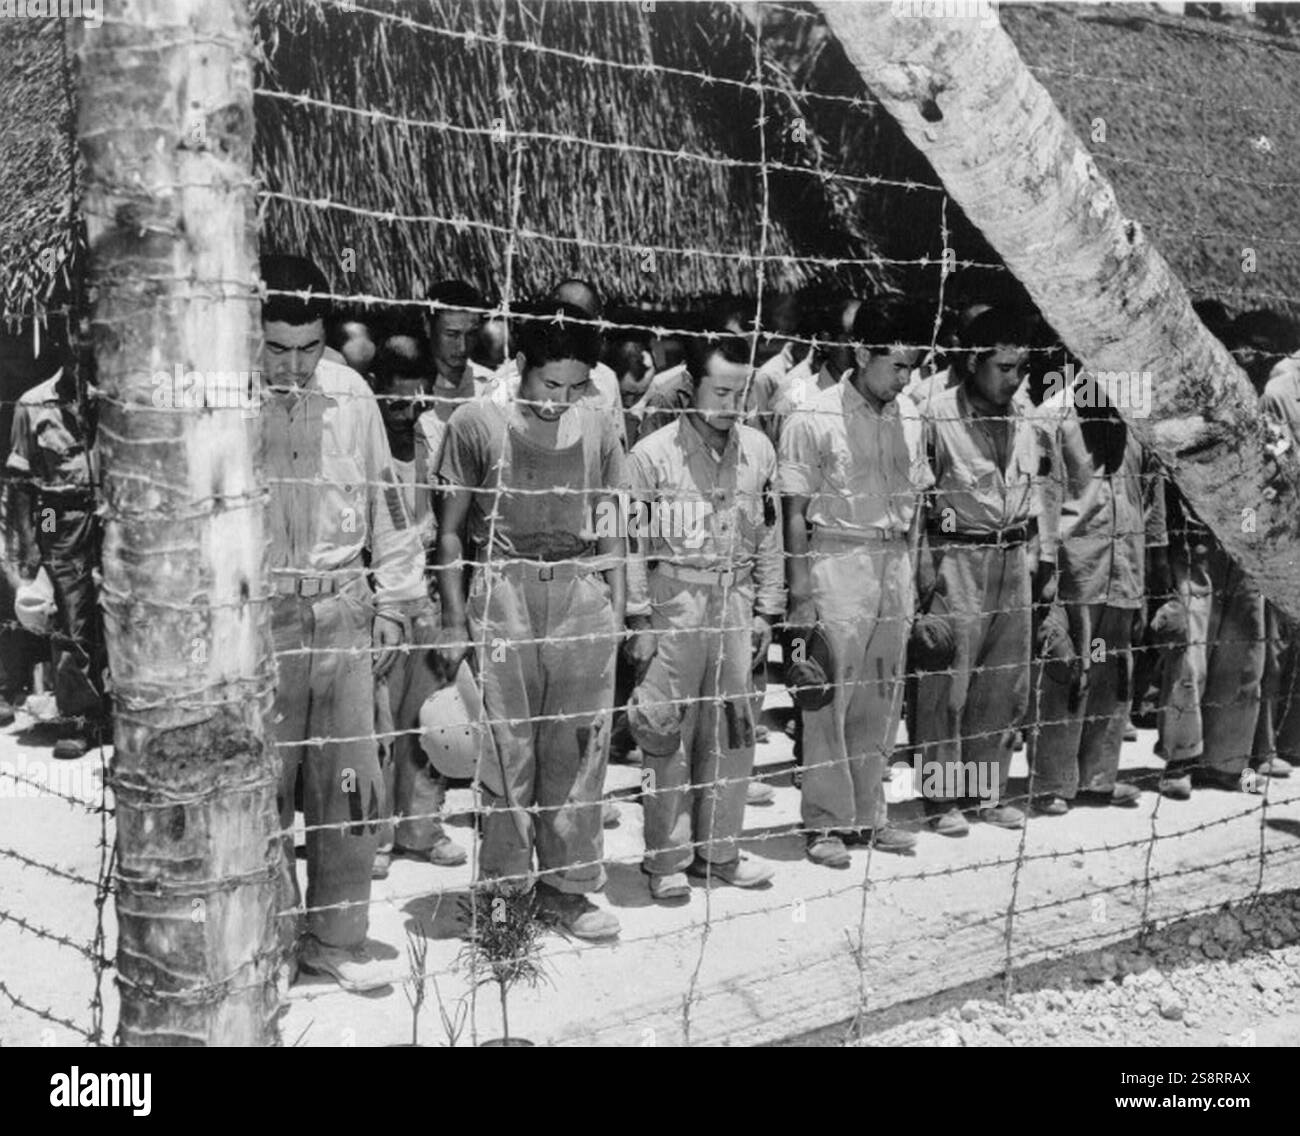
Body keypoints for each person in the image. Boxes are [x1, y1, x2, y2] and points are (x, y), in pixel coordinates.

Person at [434, 300, 626, 941]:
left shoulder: (598, 423)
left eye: (575, 388)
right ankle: (502, 894)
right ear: (520, 366)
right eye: (549, 384)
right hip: (504, 598)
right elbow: (452, 533)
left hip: (577, 598)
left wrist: (618, 611)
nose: (560, 400)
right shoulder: (475, 424)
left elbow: (612, 521)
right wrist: (456, 619)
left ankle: (567, 889)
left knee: (575, 751)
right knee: (505, 751)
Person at [260, 254, 426, 992]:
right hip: (258, 617)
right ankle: (262, 945)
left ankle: (337, 937)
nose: (295, 365)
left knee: (349, 785)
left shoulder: (352, 393)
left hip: (342, 609)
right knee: (259, 789)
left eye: (309, 347)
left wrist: (396, 600)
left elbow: (390, 504)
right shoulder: (222, 395)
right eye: (277, 348)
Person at [625, 336, 784, 899]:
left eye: (741, 393)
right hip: (676, 602)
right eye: (719, 391)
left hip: (737, 603)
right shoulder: (652, 455)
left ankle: (719, 852)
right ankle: (665, 860)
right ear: (692, 386)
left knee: (734, 732)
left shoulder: (760, 450)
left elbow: (768, 532)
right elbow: (631, 544)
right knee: (665, 733)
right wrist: (639, 620)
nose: (730, 405)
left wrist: (770, 607)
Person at [778, 300, 934, 866]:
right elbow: (793, 511)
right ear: (863, 353)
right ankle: (825, 821)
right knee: (828, 695)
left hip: (894, 564)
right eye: (895, 365)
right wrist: (799, 597)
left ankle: (871, 815)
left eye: (912, 367)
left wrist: (911, 579)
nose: (905, 378)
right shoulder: (812, 416)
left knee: (882, 694)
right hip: (837, 561)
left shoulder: (912, 415)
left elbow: (917, 505)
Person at [913, 307, 1052, 835]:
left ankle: (984, 792)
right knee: (948, 683)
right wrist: (926, 575)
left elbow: (1037, 491)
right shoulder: (935, 415)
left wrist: (1037, 556)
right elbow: (918, 501)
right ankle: (942, 798)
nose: (1014, 379)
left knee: (1003, 685)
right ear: (973, 361)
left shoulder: (1025, 415)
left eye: (1021, 367)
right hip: (958, 558)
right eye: (1003, 367)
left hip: (1013, 559)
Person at [1027, 356, 1168, 814]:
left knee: (1113, 675)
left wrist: (1153, 571)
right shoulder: (1052, 419)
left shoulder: (1136, 423)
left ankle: (1098, 777)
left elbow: (1151, 501)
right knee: (1066, 674)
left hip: (1124, 567)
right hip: (1075, 568)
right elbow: (1043, 501)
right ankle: (1053, 781)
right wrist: (1046, 575)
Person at [368, 336, 468, 878]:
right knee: (376, 731)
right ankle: (376, 835)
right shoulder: (362, 441)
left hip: (426, 601)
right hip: (378, 608)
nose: (408, 413)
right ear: (375, 393)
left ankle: (422, 827)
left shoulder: (434, 435)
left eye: (417, 401)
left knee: (430, 723)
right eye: (396, 403)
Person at [5, 361, 108, 757]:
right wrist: (39, 544)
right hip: (60, 518)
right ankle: (80, 719)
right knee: (71, 617)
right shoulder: (33, 404)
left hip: (120, 517)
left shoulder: (124, 396)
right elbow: (25, 487)